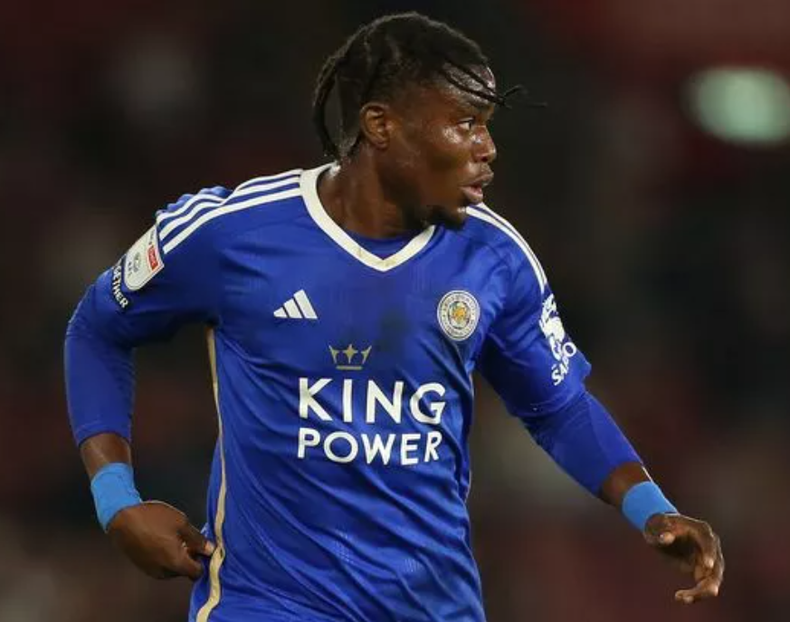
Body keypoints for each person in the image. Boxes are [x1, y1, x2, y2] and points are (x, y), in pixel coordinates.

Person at [64, 12, 724, 622]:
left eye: (487, 124)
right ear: (382, 126)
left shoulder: (495, 259)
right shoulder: (234, 234)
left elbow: (557, 406)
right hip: (268, 604)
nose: (488, 147)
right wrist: (117, 501)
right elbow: (96, 329)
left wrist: (653, 510)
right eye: (466, 122)